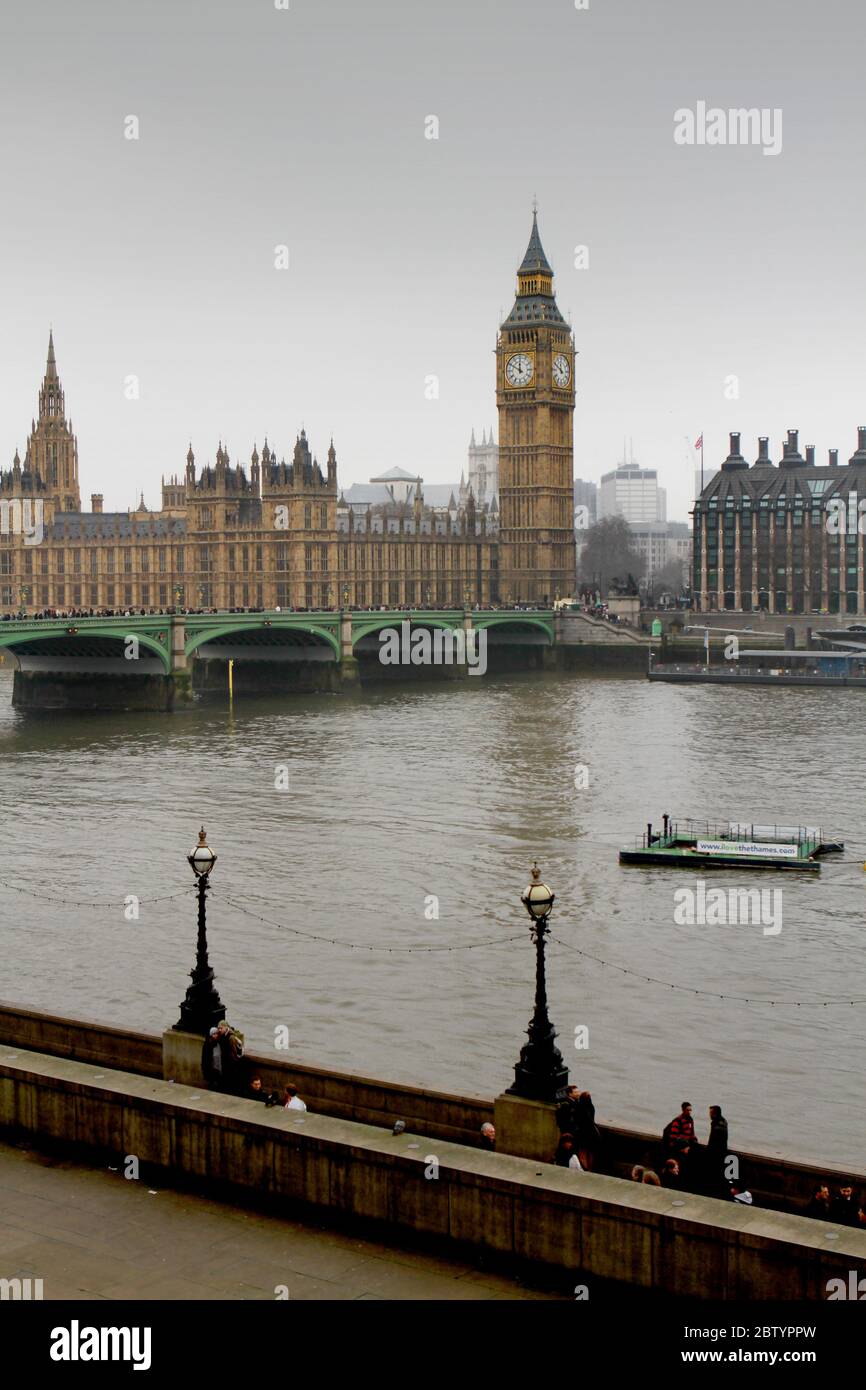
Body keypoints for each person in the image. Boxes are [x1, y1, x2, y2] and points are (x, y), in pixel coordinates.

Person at [573, 1090, 601, 1172]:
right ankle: (590, 1168)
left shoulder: (579, 1106)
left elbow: (577, 1120)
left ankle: (585, 1167)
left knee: (582, 1151)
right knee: (591, 1152)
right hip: (592, 1133)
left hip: (582, 1133)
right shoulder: (591, 1107)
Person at [704, 1105, 729, 1197]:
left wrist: (708, 1152)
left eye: (710, 1113)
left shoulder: (717, 1127)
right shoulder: (723, 1122)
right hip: (722, 1153)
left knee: (714, 1175)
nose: (709, 1115)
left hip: (716, 1155)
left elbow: (712, 1143)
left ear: (714, 1114)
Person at [201, 1026, 232, 1092]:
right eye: (214, 1034)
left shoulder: (220, 1043)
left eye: (217, 1034)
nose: (216, 1035)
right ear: (210, 1035)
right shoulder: (207, 1045)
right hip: (212, 1071)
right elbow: (205, 1060)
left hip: (220, 1070)